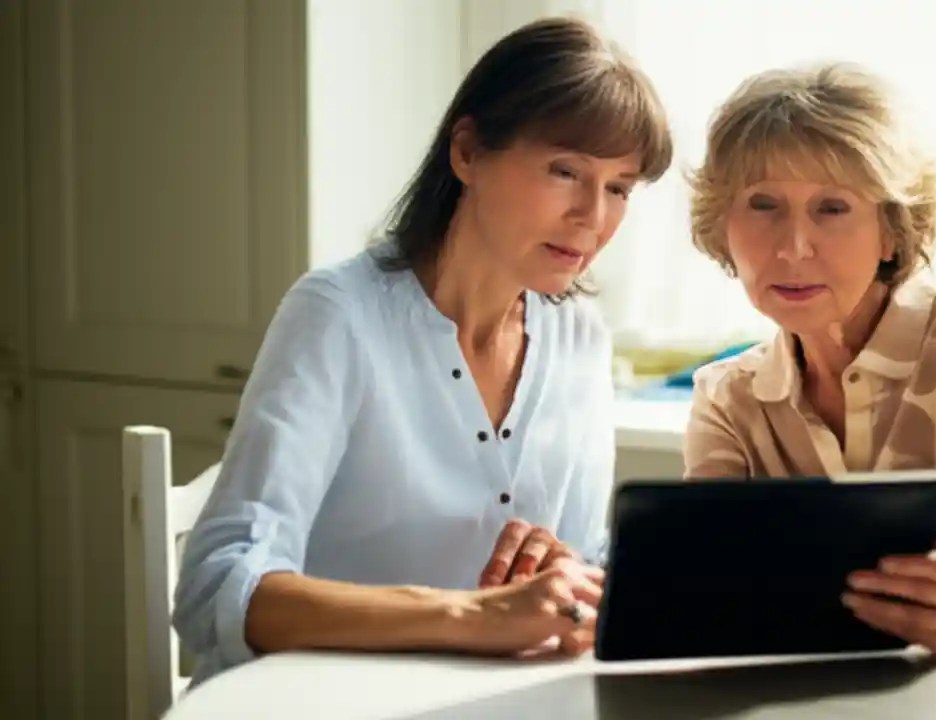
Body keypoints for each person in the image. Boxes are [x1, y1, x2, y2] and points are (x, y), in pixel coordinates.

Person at [174, 16, 672, 682]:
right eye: (564, 171)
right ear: (467, 153)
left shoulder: (579, 333)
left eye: (619, 188)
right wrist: (474, 616)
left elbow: (587, 558)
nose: (595, 216)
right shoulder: (340, 315)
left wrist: (567, 578)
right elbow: (216, 586)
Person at [683, 63, 936, 659]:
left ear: (892, 232)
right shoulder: (727, 397)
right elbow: (706, 572)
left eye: (832, 208)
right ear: (723, 228)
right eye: (763, 204)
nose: (793, 246)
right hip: (827, 688)